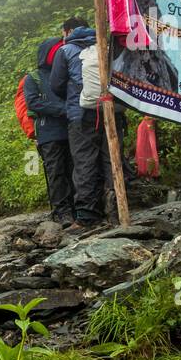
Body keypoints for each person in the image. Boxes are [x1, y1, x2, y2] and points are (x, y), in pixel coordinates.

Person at [47, 18, 109, 230]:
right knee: (111, 157)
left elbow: (56, 85)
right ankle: (118, 208)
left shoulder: (65, 51)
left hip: (80, 114)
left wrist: (74, 96)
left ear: (68, 31)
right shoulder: (103, 43)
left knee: (84, 162)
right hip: (109, 109)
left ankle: (87, 215)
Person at [22, 38, 75, 226]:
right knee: (56, 172)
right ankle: (62, 211)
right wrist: (62, 109)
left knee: (72, 169)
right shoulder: (33, 78)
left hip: (69, 130)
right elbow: (33, 103)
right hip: (48, 133)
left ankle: (74, 208)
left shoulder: (64, 74)